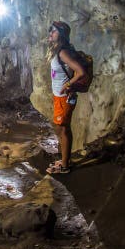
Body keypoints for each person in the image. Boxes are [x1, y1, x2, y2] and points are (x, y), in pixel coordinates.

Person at [46, 21, 85, 175]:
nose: (50, 33)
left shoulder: (63, 52)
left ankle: (65, 166)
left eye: (54, 31)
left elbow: (80, 71)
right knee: (62, 128)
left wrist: (67, 85)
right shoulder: (57, 51)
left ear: (61, 35)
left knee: (63, 129)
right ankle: (64, 160)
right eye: (50, 30)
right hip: (59, 97)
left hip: (64, 97)